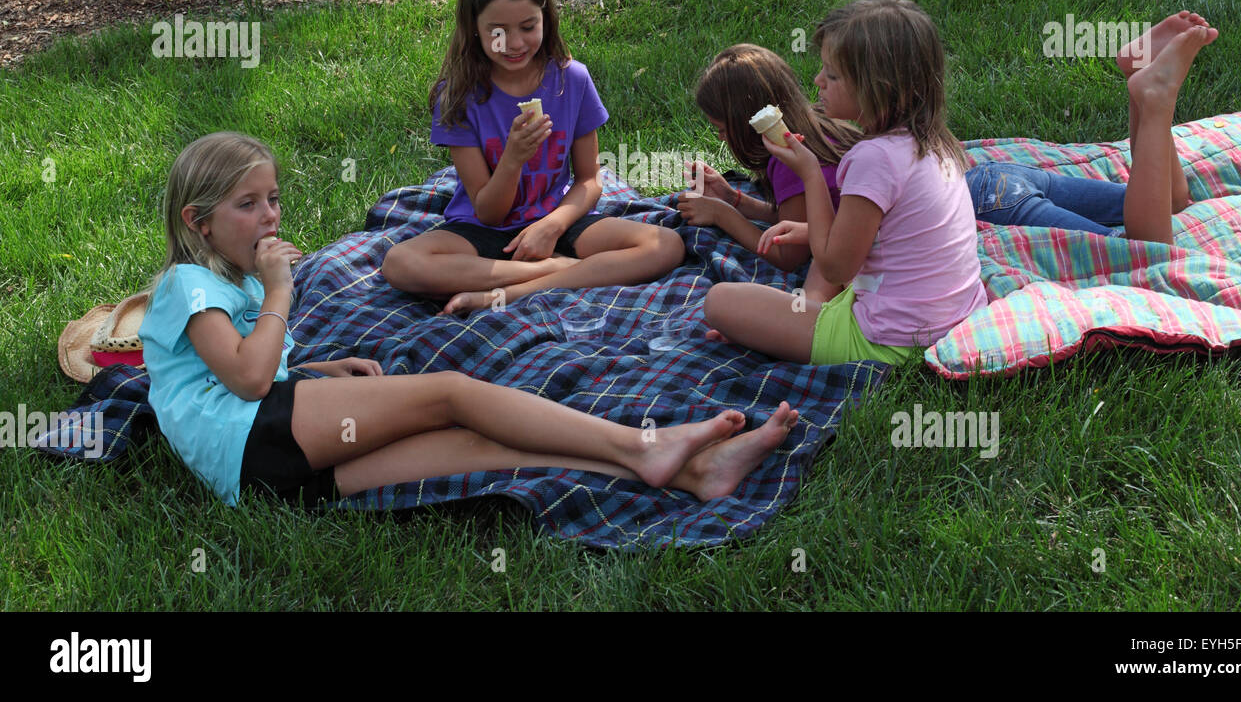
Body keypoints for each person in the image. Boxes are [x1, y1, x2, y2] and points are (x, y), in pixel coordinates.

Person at [139, 132, 798, 507]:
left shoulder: (224, 281)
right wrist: (280, 291)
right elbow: (251, 383)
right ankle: (640, 445)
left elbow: (232, 372)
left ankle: (692, 472)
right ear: (197, 221)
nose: (270, 217)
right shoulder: (187, 284)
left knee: (491, 452)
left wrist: (316, 370)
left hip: (270, 479)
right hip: (259, 438)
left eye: (273, 199)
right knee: (452, 394)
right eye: (247, 205)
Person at [381, 0, 685, 314]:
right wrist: (512, 160)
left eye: (528, 27)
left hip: (553, 221)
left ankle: (515, 290)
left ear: (546, 17)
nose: (515, 43)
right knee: (400, 263)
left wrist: (553, 225)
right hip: (482, 232)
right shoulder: (459, 96)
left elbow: (589, 179)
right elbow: (488, 213)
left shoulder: (571, 79)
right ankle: (555, 272)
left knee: (665, 245)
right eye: (497, 31)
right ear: (473, 28)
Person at [703, 0, 988, 366]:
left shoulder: (873, 158)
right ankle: (775, 329)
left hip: (890, 341)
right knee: (762, 307)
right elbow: (892, 235)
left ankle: (779, 332)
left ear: (879, 85)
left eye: (833, 75)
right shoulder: (931, 139)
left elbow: (836, 267)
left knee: (719, 300)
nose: (818, 81)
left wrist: (809, 172)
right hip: (951, 318)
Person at [961, 11, 1214, 237]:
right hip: (992, 175)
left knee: (1146, 246)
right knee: (1166, 201)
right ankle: (1140, 73)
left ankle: (1154, 98)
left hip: (990, 200)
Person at [680, 44, 860, 303]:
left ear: (748, 124)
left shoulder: (789, 161)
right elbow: (797, 217)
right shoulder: (816, 122)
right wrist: (734, 199)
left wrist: (722, 214)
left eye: (722, 129)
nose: (720, 138)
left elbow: (787, 256)